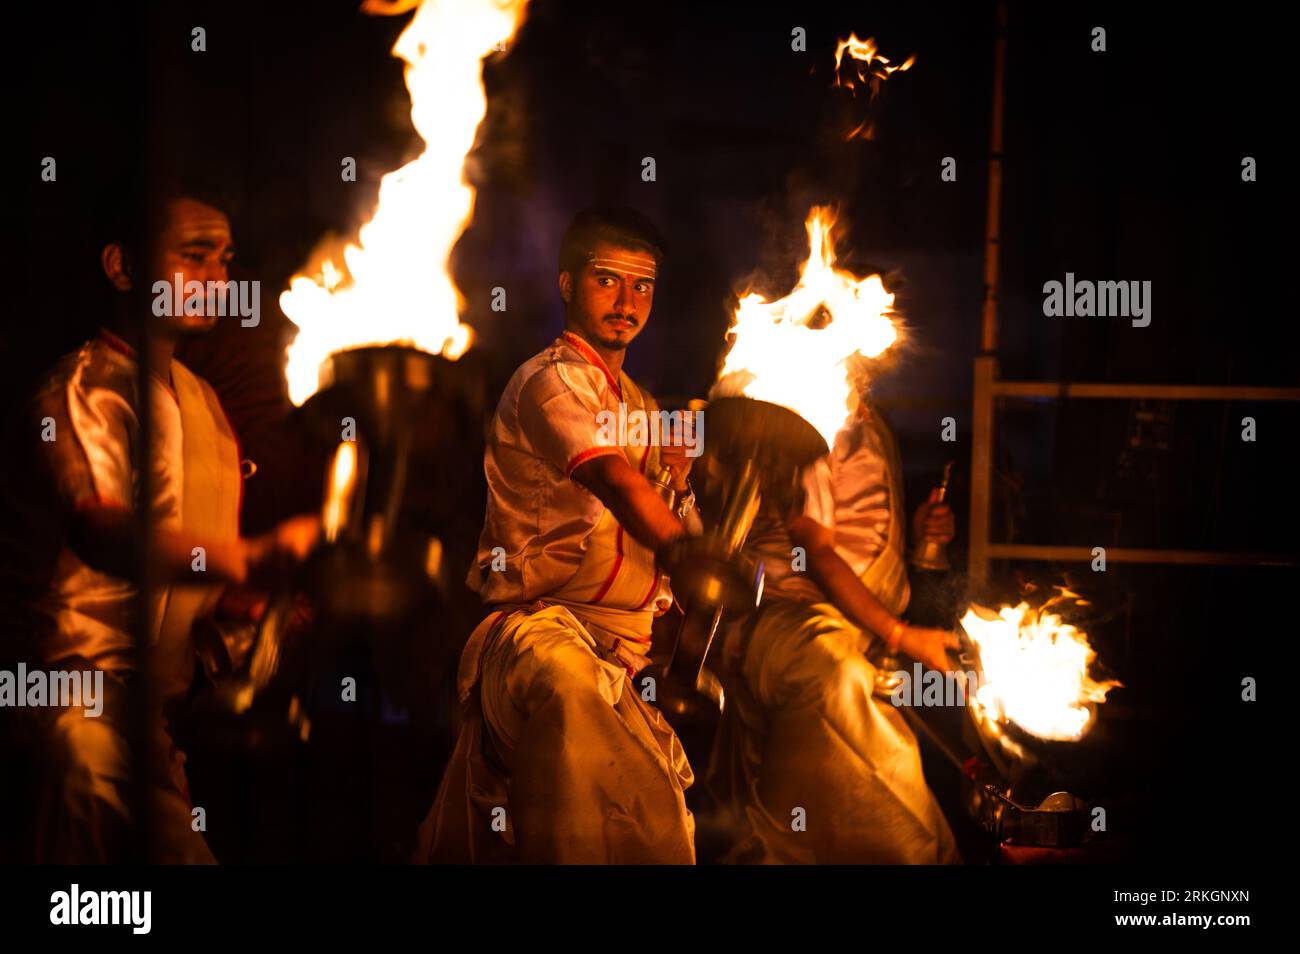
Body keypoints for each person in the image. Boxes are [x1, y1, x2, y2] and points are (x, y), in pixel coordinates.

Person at [16, 180, 319, 862]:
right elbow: (102, 531)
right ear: (123, 266)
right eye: (195, 255)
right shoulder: (84, 385)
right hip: (74, 704)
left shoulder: (207, 405)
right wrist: (243, 558)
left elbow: (193, 574)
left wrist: (246, 610)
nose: (218, 277)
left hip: (151, 726)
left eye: (226, 258)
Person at [417, 205, 702, 863]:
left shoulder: (646, 408)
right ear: (568, 283)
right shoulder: (548, 381)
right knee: (572, 702)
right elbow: (617, 483)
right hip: (540, 633)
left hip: (624, 661)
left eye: (644, 287)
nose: (628, 302)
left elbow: (677, 526)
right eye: (609, 280)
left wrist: (682, 484)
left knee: (651, 830)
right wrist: (689, 549)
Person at [708, 376, 961, 864]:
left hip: (851, 632)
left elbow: (853, 534)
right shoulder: (806, 412)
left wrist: (915, 537)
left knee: (901, 798)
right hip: (795, 627)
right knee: (882, 803)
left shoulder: (863, 416)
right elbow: (815, 552)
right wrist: (902, 635)